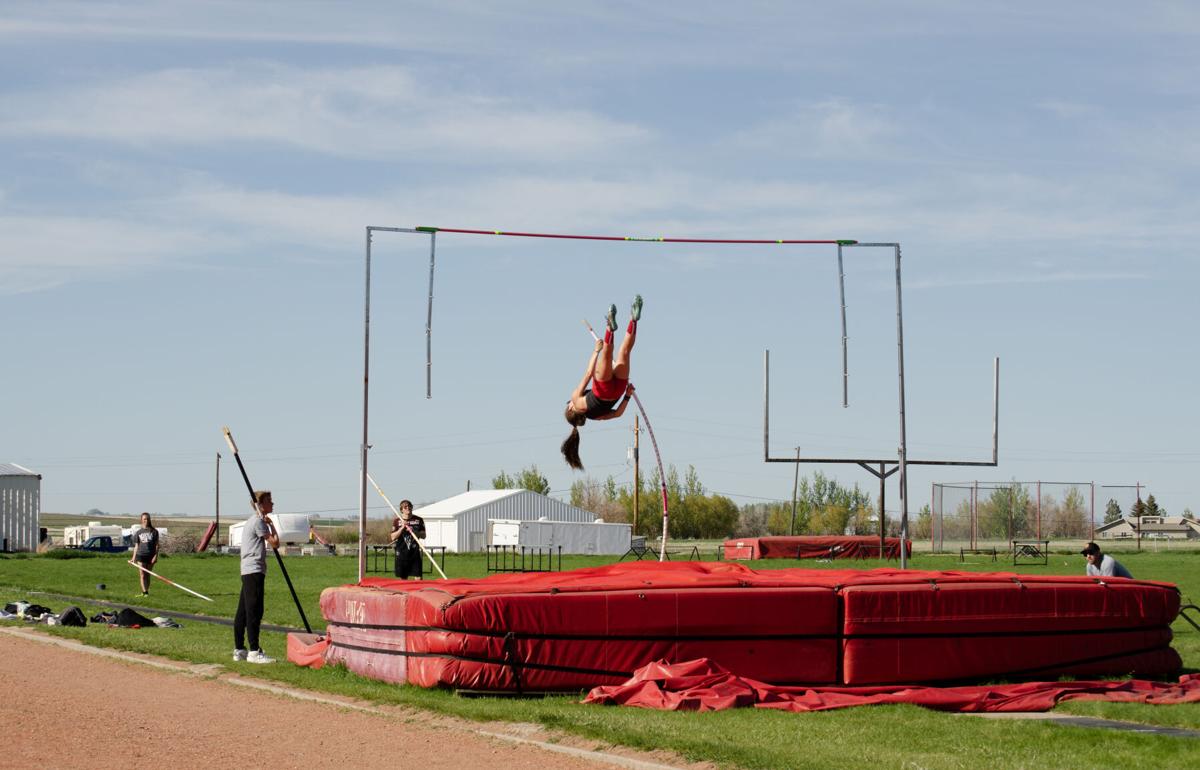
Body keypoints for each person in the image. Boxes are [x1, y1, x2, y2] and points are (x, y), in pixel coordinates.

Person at [562, 295, 642, 470]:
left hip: (618, 390)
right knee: (607, 352)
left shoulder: (595, 416)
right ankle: (610, 328)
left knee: (625, 352)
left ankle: (633, 320)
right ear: (570, 408)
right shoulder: (576, 399)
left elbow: (617, 414)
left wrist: (627, 396)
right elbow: (589, 373)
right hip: (602, 388)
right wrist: (595, 351)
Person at [234, 490, 279, 664]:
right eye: (269, 501)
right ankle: (254, 651)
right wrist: (272, 524)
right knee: (254, 610)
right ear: (260, 505)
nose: (273, 503)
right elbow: (275, 543)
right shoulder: (259, 522)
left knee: (243, 611)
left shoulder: (252, 521)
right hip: (254, 570)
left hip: (247, 570)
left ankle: (239, 649)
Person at [389, 499, 426, 579]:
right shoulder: (397, 521)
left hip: (414, 552)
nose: (408, 508)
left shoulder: (418, 520)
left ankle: (418, 591)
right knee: (403, 578)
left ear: (412, 507)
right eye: (405, 507)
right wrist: (402, 528)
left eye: (409, 506)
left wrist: (414, 531)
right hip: (402, 552)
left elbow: (423, 535)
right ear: (401, 510)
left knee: (418, 577)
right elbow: (393, 537)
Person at [130, 512, 159, 596]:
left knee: (148, 574)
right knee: (142, 575)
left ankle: (146, 592)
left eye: (147, 519)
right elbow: (136, 546)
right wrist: (133, 558)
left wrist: (155, 556)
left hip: (151, 555)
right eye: (144, 519)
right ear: (141, 520)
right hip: (141, 555)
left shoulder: (154, 531)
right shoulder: (139, 532)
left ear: (149, 520)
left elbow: (157, 545)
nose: (146, 520)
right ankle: (145, 592)